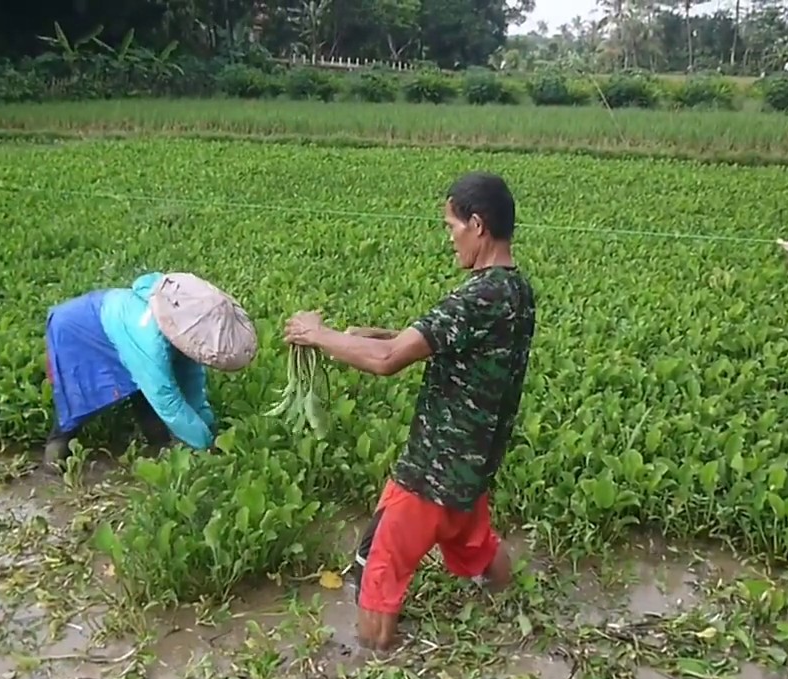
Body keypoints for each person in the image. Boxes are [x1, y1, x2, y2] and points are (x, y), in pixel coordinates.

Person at [284, 171, 537, 652]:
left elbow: (387, 362)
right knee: (480, 548)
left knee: (375, 568)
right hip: (471, 472)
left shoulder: (476, 297)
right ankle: (514, 624)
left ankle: (371, 666)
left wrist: (315, 333)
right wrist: (364, 334)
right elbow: (430, 344)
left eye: (451, 227)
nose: (450, 238)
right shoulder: (516, 292)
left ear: (477, 225)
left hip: (429, 476)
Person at [43, 271, 257, 469]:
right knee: (78, 399)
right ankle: (54, 457)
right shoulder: (151, 342)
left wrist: (209, 425)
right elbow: (167, 400)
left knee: (143, 394)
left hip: (119, 325)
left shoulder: (184, 333)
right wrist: (206, 446)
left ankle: (159, 445)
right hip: (79, 329)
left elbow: (191, 384)